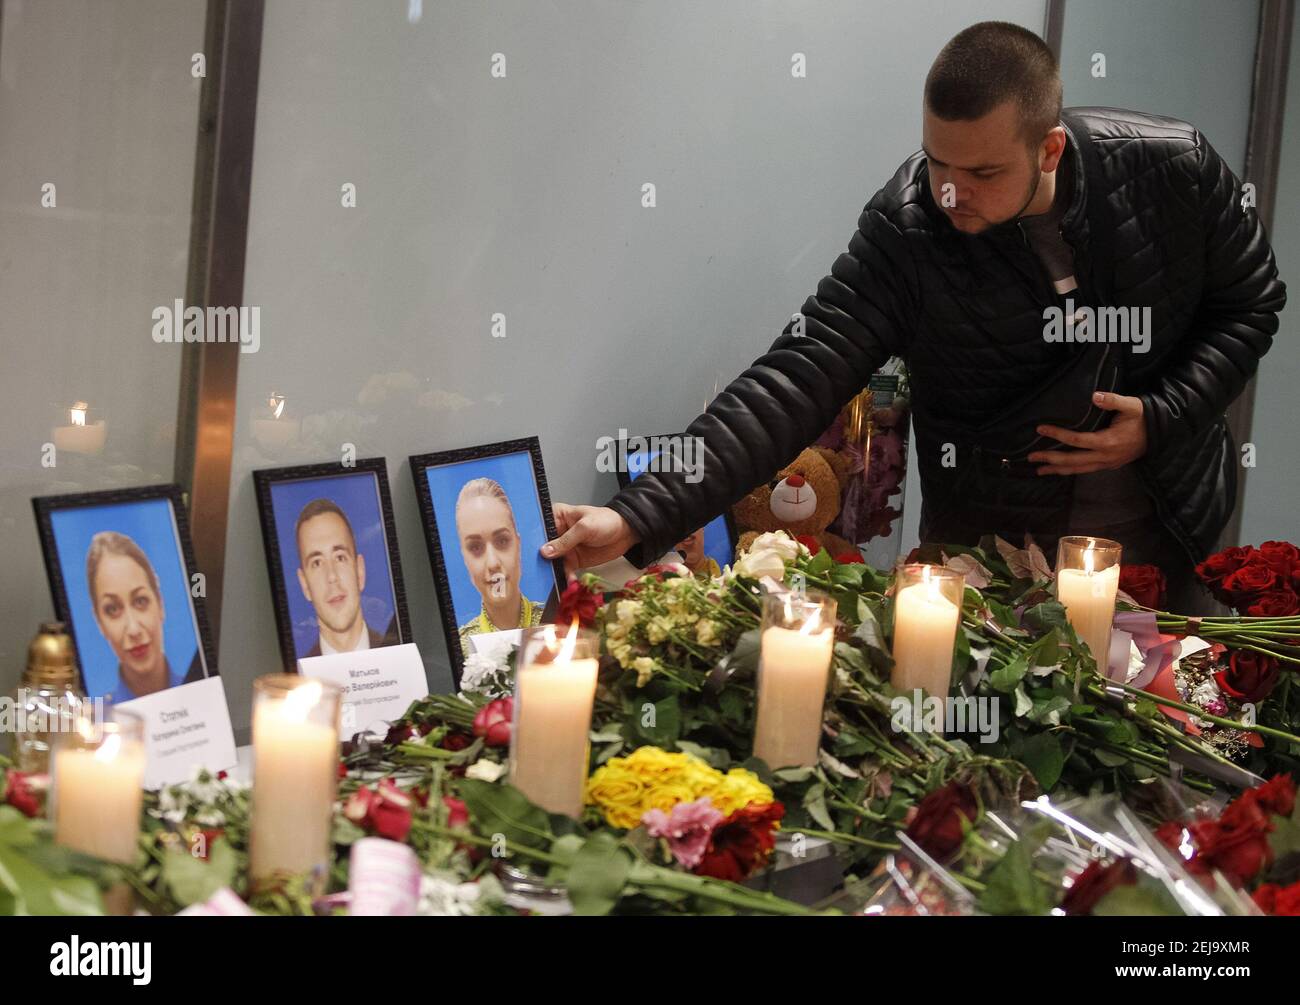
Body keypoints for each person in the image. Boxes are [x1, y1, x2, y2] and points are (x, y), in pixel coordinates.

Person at [541, 21, 1284, 614]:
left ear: (1049, 147)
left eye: (984, 173)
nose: (953, 194)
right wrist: (639, 516)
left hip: (1169, 525)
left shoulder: (1172, 171)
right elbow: (796, 376)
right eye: (938, 163)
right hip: (993, 552)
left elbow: (1251, 303)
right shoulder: (908, 229)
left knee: (1170, 745)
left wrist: (1163, 415)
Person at [85, 531, 202, 702]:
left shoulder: (201, 696)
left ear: (160, 604)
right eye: (112, 609)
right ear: (99, 622)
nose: (133, 629)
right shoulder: (96, 720)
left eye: (140, 601)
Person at [294, 498, 398, 658]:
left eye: (340, 557)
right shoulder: (299, 678)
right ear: (304, 585)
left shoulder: (396, 652)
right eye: (317, 563)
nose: (332, 576)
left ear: (359, 571)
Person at [455, 478, 544, 657]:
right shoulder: (460, 646)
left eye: (502, 541)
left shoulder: (557, 622)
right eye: (475, 547)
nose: (493, 563)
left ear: (518, 545)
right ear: (465, 558)